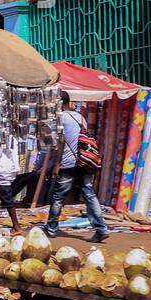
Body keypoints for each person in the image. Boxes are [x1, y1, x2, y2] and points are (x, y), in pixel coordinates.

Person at [45, 90, 109, 242]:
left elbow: (61, 143)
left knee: (59, 196)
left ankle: (51, 228)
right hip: (84, 161)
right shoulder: (80, 117)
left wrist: (57, 164)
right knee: (89, 194)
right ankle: (101, 228)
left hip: (68, 162)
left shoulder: (60, 120)